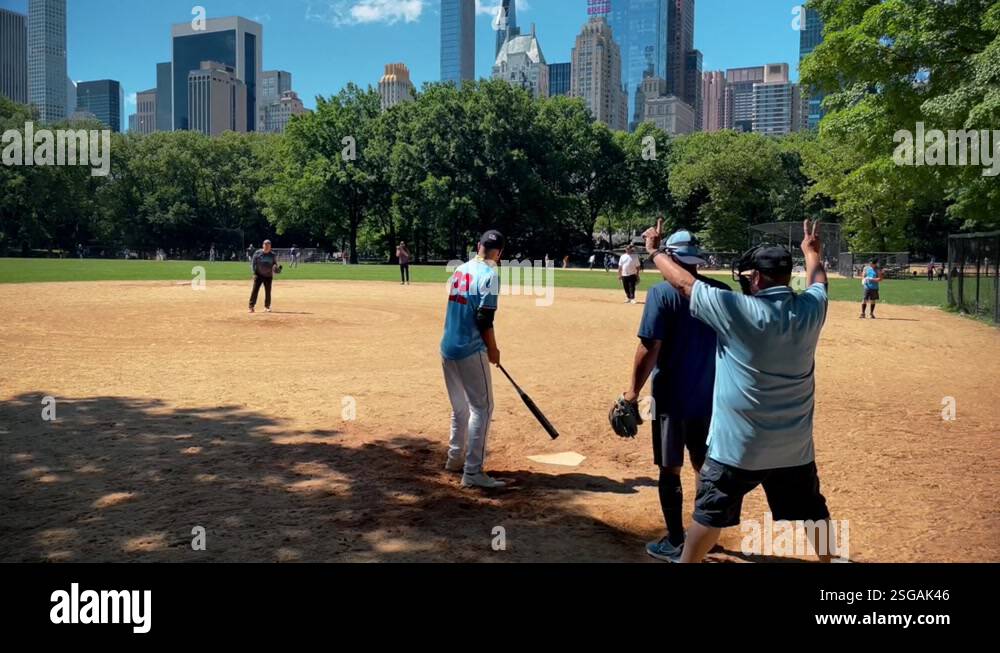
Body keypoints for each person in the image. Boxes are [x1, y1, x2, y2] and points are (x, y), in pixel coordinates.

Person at [643, 219, 836, 563]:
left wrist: (656, 252)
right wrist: (812, 254)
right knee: (813, 512)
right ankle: (830, 562)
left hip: (738, 445)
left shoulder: (737, 309)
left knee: (709, 514)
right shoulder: (811, 309)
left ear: (757, 278)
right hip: (794, 445)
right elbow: (819, 282)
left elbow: (685, 284)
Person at [620, 230, 730, 562]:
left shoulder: (661, 294)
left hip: (671, 397)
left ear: (670, 257)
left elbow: (649, 347)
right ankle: (705, 534)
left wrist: (631, 394)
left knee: (670, 468)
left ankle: (675, 540)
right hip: (712, 396)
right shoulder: (720, 292)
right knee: (705, 465)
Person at [441, 230, 506, 490]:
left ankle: (454, 459)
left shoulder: (461, 269)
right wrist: (493, 349)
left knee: (460, 408)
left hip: (447, 347)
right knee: (483, 408)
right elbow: (484, 319)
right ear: (499, 253)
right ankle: (473, 472)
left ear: (478, 246)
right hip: (470, 348)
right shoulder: (490, 275)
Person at [249, 240, 280, 314]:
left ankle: (267, 306)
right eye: (265, 245)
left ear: (270, 246)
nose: (267, 247)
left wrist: (276, 269)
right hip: (258, 274)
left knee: (268, 291)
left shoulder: (272, 255)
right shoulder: (257, 253)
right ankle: (251, 306)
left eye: (268, 245)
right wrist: (254, 273)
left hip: (268, 276)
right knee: (255, 290)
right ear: (263, 245)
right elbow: (253, 263)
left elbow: (275, 264)